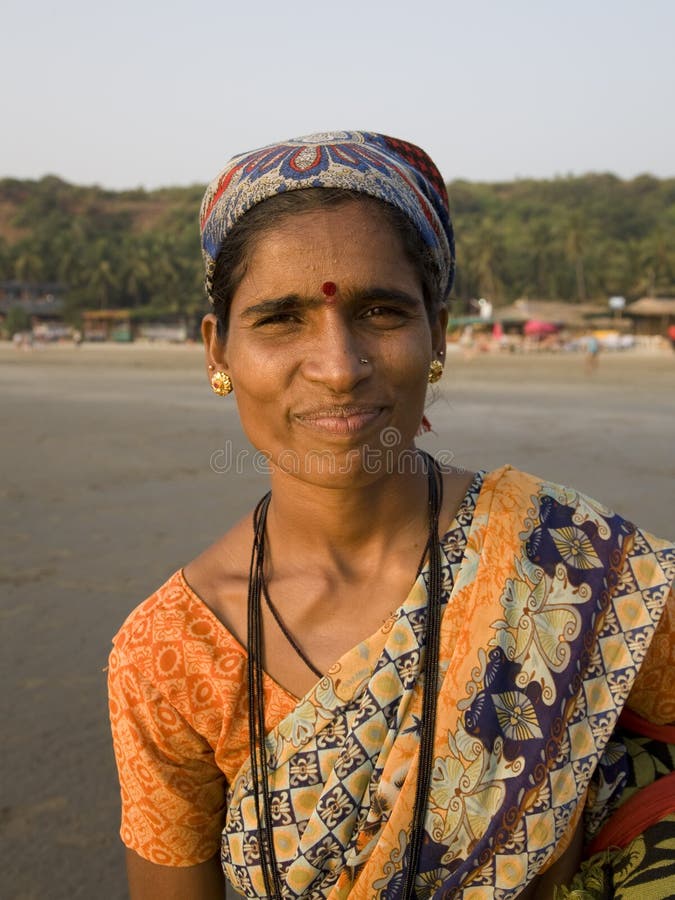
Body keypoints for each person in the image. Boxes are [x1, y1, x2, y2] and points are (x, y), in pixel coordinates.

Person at [108, 132, 674, 899]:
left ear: (436, 332)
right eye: (280, 319)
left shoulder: (567, 558)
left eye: (380, 312)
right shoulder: (170, 655)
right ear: (217, 351)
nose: (339, 368)